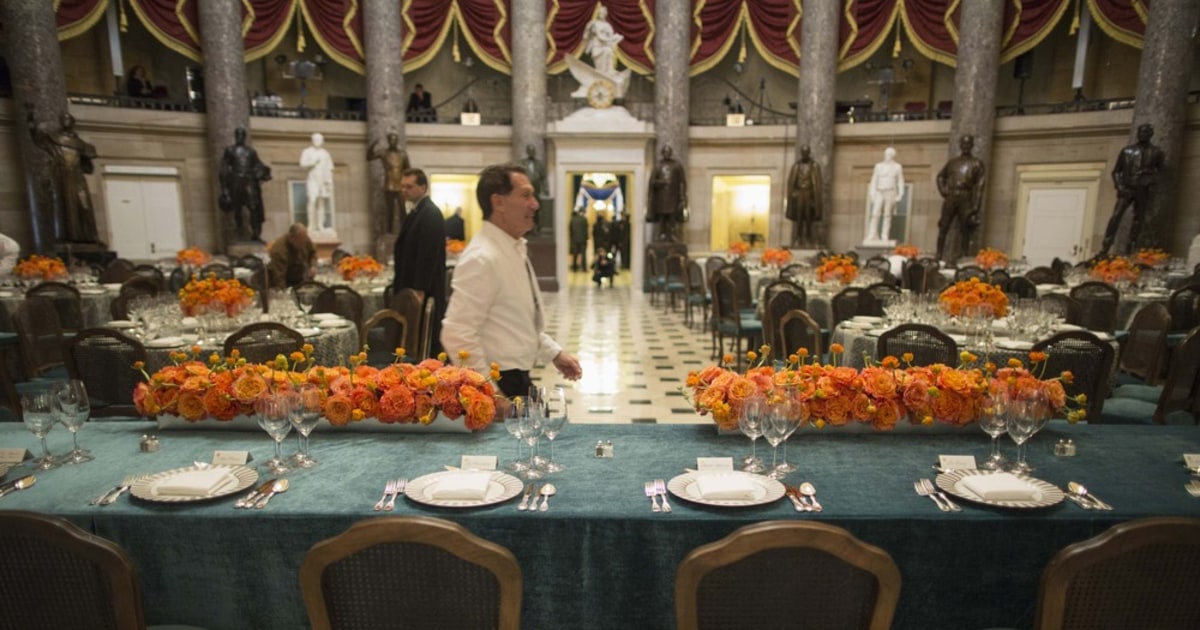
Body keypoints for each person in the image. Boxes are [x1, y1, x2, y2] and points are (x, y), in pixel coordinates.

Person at [441, 163, 582, 399]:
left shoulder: (511, 247)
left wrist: (554, 353)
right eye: (526, 195)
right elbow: (456, 333)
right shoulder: (482, 258)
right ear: (498, 202)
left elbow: (516, 320)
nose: (535, 204)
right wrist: (490, 394)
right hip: (500, 383)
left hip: (516, 378)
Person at [393, 168, 447, 356]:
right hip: (412, 286)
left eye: (409, 186)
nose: (404, 190)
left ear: (423, 187)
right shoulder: (417, 212)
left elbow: (428, 255)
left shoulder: (430, 213)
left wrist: (419, 289)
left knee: (425, 338)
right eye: (403, 186)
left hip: (424, 289)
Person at [27, 108, 101, 244]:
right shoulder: (54, 139)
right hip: (61, 175)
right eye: (64, 119)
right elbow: (37, 139)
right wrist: (31, 120)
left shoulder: (82, 144)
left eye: (68, 119)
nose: (66, 121)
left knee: (83, 204)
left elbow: (88, 167)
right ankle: (67, 237)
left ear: (73, 122)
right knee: (64, 205)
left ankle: (89, 236)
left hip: (77, 175)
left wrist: (88, 158)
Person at [1100, 123, 1165, 256]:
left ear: (1150, 135)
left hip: (1143, 190)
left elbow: (1161, 172)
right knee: (1116, 216)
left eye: (1146, 132)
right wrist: (1120, 186)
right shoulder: (1127, 151)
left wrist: (1151, 179)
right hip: (1127, 189)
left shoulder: (1156, 152)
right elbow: (1116, 172)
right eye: (1140, 132)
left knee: (1138, 219)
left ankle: (1130, 249)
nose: (1142, 135)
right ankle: (1105, 247)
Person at [935, 135, 986, 261]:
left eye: (968, 144)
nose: (966, 146)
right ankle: (938, 254)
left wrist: (975, 206)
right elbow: (940, 177)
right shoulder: (953, 163)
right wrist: (943, 190)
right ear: (960, 145)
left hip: (966, 196)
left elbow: (980, 186)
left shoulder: (977, 163)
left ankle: (964, 255)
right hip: (951, 195)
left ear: (972, 145)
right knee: (943, 226)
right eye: (964, 144)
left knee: (966, 227)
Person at [219, 126, 271, 243]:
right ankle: (239, 234)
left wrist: (264, 171)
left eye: (242, 135)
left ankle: (256, 234)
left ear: (245, 136)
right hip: (236, 180)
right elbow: (224, 169)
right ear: (235, 136)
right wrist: (225, 189)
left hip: (249, 180)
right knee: (237, 209)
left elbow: (258, 165)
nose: (240, 137)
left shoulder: (251, 151)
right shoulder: (230, 150)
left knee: (253, 207)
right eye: (238, 134)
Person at [367, 133, 412, 233]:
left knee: (402, 210)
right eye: (391, 140)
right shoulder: (384, 153)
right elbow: (369, 157)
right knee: (390, 211)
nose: (393, 142)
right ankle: (389, 232)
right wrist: (373, 145)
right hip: (389, 185)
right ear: (388, 141)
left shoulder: (403, 154)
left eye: (395, 140)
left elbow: (409, 170)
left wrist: (408, 185)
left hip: (401, 185)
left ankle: (405, 231)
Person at [646, 145, 687, 242]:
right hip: (661, 198)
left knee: (672, 218)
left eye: (669, 152)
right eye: (665, 152)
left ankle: (672, 234)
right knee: (662, 218)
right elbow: (652, 182)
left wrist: (682, 196)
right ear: (662, 153)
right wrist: (662, 182)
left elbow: (682, 182)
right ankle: (662, 234)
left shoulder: (677, 165)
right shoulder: (658, 166)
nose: (667, 154)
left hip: (673, 197)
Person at [865, 147, 905, 243]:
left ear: (893, 156)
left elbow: (900, 181)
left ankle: (884, 236)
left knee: (887, 215)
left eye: (889, 155)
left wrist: (900, 194)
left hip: (890, 192)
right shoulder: (878, 166)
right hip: (879, 191)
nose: (887, 156)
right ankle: (871, 235)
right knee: (875, 214)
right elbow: (874, 180)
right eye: (886, 154)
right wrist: (872, 194)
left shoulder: (897, 167)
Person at [786, 145, 823, 248]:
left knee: (808, 218)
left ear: (809, 153)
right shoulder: (796, 166)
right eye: (803, 153)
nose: (804, 155)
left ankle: (809, 239)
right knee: (799, 217)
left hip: (810, 194)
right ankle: (798, 238)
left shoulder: (814, 166)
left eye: (806, 153)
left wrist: (815, 199)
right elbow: (791, 182)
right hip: (799, 194)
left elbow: (817, 183)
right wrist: (793, 193)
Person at [299, 132, 334, 233]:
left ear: (322, 141)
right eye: (315, 139)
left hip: (323, 179)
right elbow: (302, 164)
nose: (317, 141)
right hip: (312, 179)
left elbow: (329, 168)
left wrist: (329, 182)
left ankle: (320, 225)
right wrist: (312, 162)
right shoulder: (307, 151)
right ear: (312, 140)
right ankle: (311, 225)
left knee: (321, 203)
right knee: (312, 200)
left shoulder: (325, 153)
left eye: (319, 139)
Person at [266, 223, 316, 289]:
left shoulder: (304, 238)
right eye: (300, 243)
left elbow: (312, 252)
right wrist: (285, 295)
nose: (303, 245)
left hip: (299, 278)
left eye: (304, 241)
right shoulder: (279, 250)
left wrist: (313, 265)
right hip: (285, 280)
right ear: (291, 238)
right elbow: (279, 278)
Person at [584, 6, 623, 76]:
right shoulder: (594, 24)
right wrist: (588, 29)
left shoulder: (608, 25)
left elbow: (610, 36)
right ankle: (602, 72)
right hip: (597, 47)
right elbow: (594, 37)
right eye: (601, 13)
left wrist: (616, 38)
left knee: (609, 50)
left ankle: (610, 71)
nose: (602, 14)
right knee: (606, 50)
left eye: (604, 13)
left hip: (606, 46)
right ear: (598, 14)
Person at [520, 144, 548, 233]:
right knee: (525, 209)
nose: (532, 152)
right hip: (526, 190)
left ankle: (537, 227)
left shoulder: (539, 164)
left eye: (533, 151)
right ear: (527, 152)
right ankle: (527, 228)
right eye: (530, 150)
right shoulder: (522, 163)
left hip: (537, 190)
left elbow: (543, 178)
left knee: (537, 209)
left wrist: (545, 189)